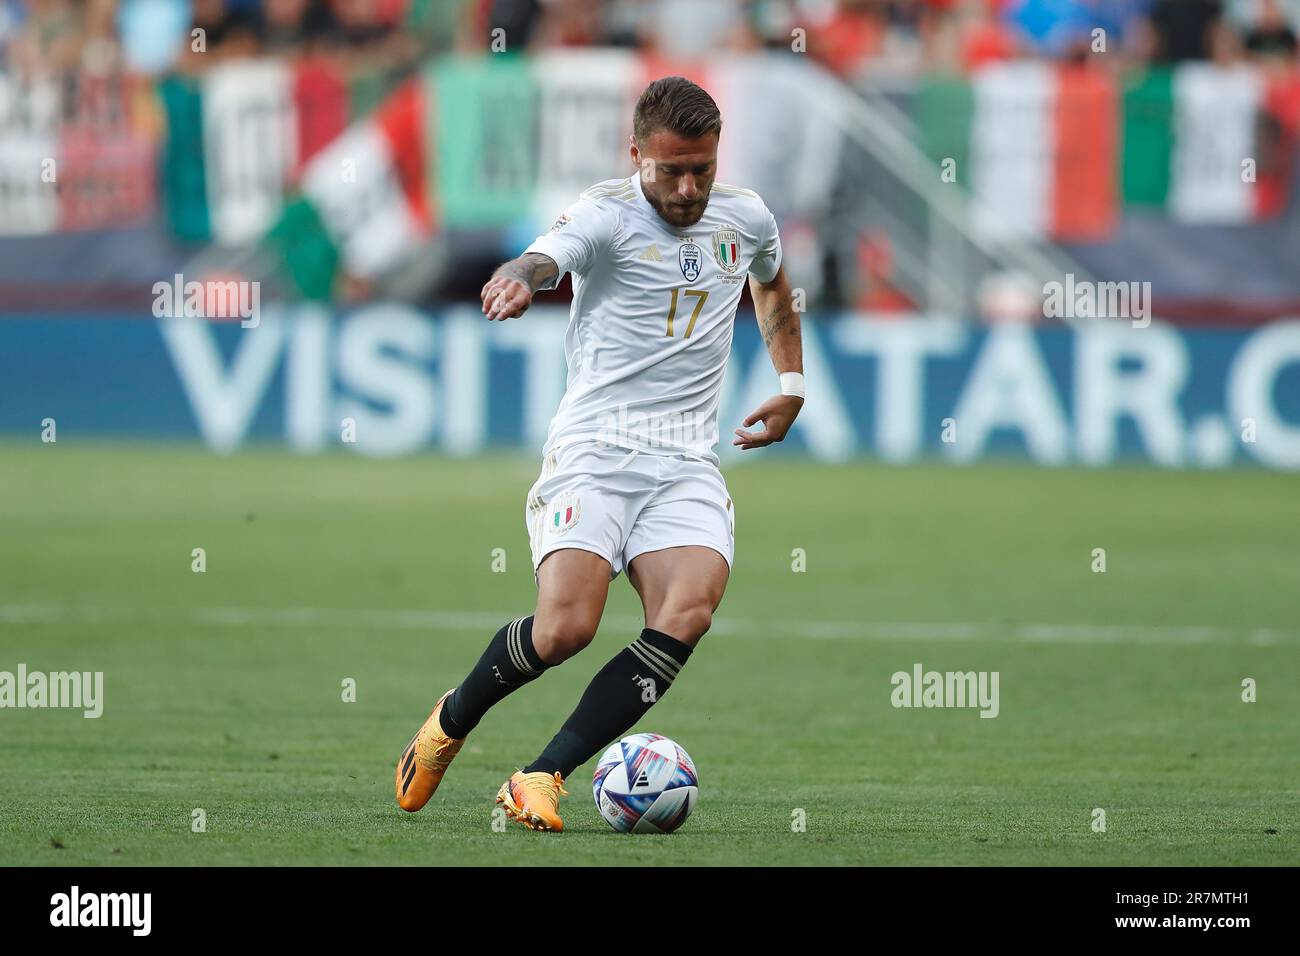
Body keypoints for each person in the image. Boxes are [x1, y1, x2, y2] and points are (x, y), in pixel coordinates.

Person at [395, 75, 804, 832]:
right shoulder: (604, 214)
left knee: (688, 610)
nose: (688, 187)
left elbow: (774, 287)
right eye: (671, 169)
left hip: (685, 459)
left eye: (703, 169)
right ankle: (451, 720)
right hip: (596, 449)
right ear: (636, 154)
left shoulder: (746, 217)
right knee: (565, 630)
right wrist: (518, 279)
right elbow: (546, 256)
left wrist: (791, 383)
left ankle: (541, 775)